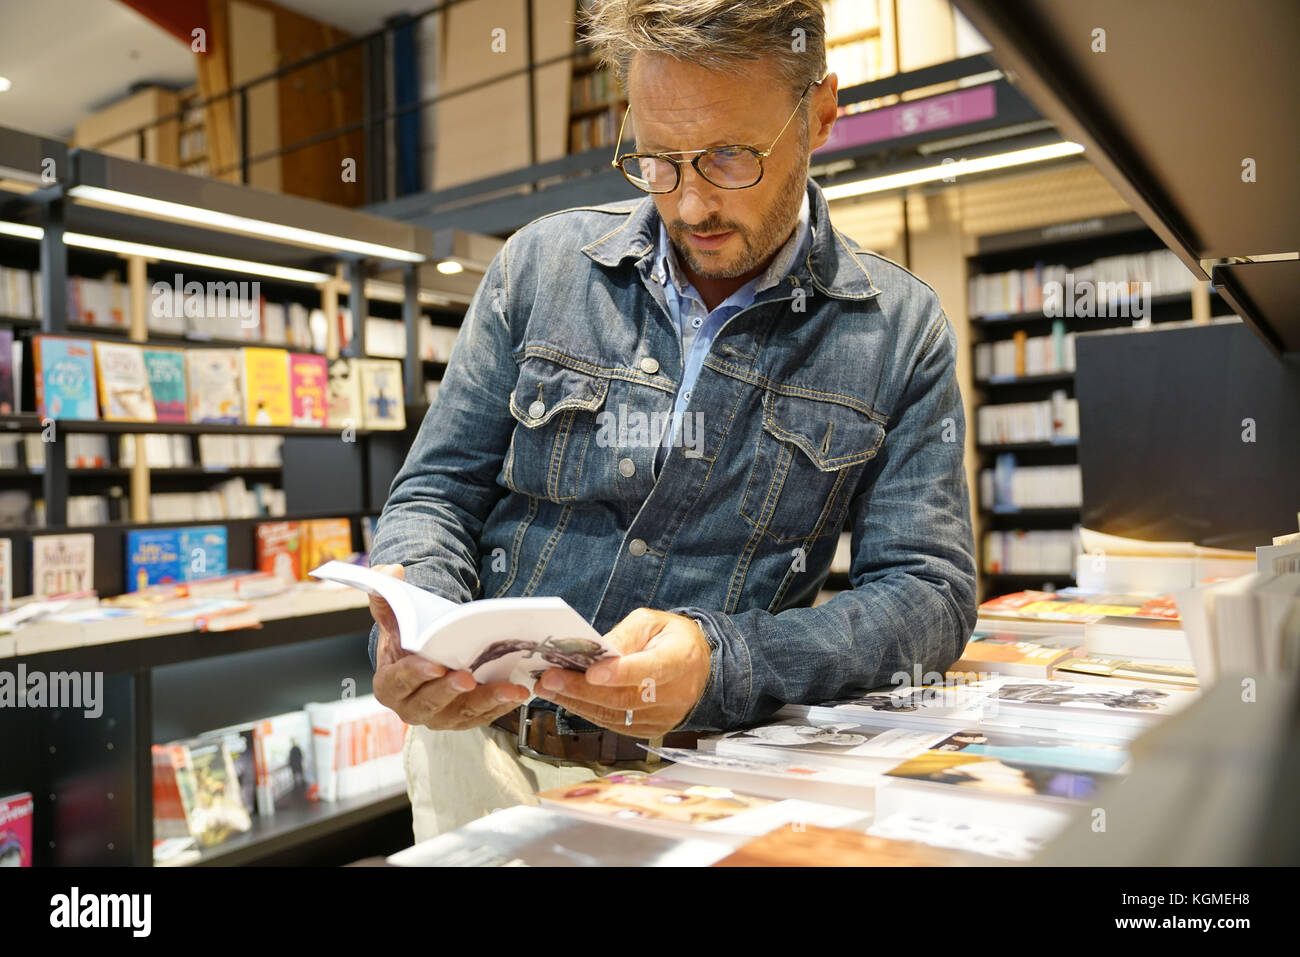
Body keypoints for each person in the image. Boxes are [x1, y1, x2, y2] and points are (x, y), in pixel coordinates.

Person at [368, 0, 976, 841]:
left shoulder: (899, 331)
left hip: (708, 788)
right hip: (484, 765)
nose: (689, 205)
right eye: (658, 160)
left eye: (730, 157)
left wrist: (726, 662)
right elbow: (434, 492)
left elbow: (928, 596)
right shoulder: (538, 269)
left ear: (821, 113)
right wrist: (420, 618)